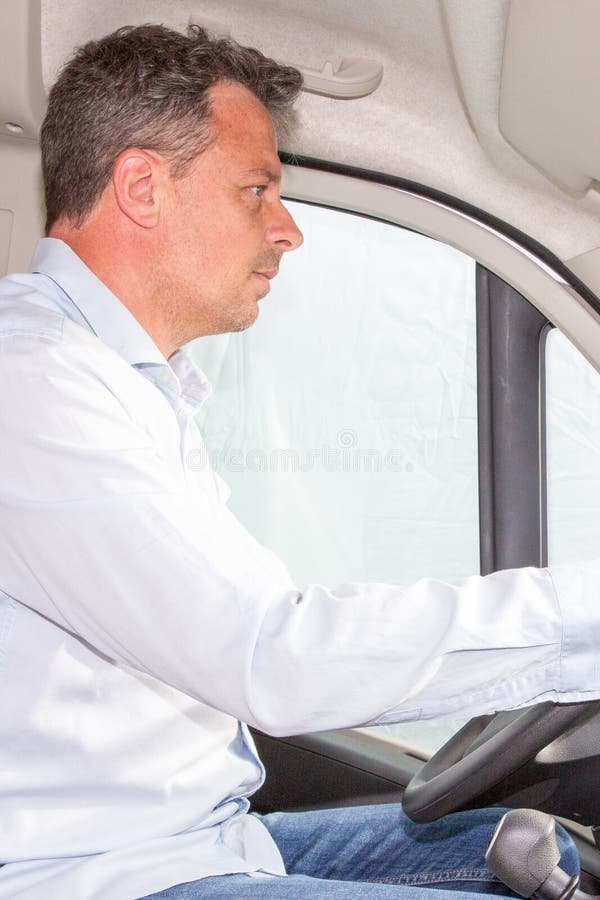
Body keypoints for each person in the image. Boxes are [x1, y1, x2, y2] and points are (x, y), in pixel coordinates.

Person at [0, 22, 595, 900]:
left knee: (559, 854)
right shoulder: (34, 387)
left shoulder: (127, 383)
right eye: (256, 190)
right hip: (97, 877)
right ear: (140, 187)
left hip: (203, 843)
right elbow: (268, 653)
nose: (288, 232)